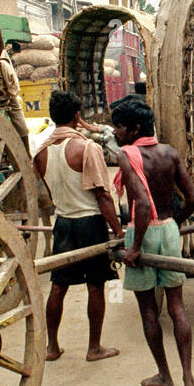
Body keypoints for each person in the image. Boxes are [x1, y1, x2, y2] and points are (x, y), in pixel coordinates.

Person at [111, 98, 194, 386]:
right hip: (169, 231)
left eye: (119, 127)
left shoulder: (128, 155)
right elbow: (192, 200)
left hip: (143, 232)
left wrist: (135, 248)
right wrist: (175, 222)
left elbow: (142, 202)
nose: (115, 132)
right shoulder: (170, 153)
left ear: (134, 129)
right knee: (177, 306)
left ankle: (165, 375)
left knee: (149, 309)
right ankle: (189, 378)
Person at [35, 90, 125, 362]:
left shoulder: (40, 151)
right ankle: (94, 348)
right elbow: (102, 195)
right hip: (89, 223)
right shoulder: (86, 148)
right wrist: (119, 231)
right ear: (77, 116)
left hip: (63, 223)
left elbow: (47, 190)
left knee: (58, 286)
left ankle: (52, 347)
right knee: (95, 285)